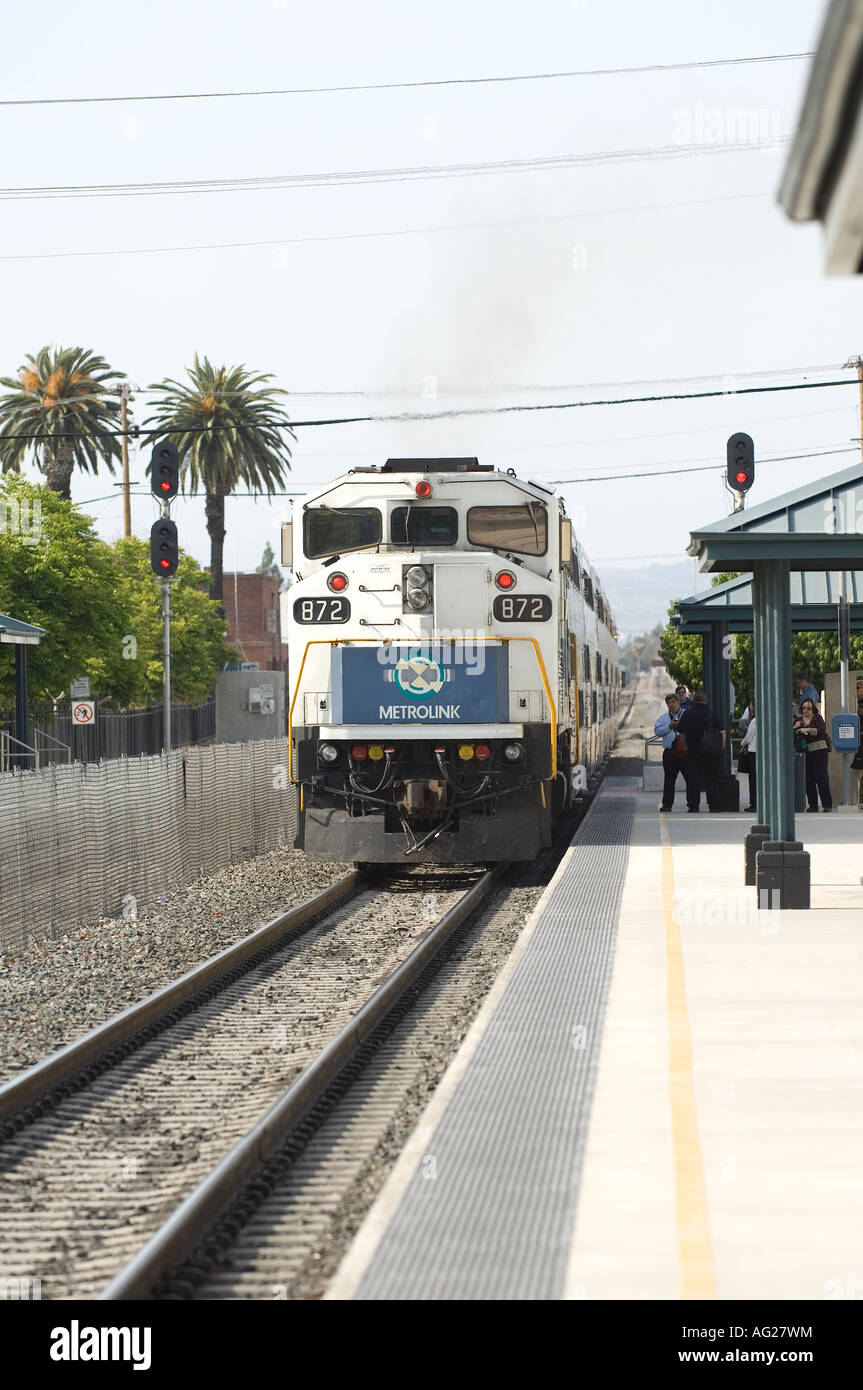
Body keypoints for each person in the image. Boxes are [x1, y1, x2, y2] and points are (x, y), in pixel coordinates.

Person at [677, 689, 726, 812]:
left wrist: (686, 747)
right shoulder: (712, 713)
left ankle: (693, 805)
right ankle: (714, 805)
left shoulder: (687, 714)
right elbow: (723, 732)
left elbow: (681, 733)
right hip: (711, 753)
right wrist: (720, 748)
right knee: (712, 780)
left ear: (694, 700)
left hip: (693, 752)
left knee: (693, 780)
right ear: (706, 700)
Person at [793, 697, 833, 811]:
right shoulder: (798, 720)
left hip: (820, 752)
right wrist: (795, 728)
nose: (806, 710)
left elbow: (821, 731)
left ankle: (827, 805)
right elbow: (792, 735)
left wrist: (808, 730)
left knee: (822, 778)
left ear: (813, 709)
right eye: (804, 708)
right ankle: (813, 805)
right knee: (808, 780)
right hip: (806, 754)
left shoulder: (818, 718)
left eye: (809, 708)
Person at [654, 693, 685, 811]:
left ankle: (693, 805)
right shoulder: (663, 718)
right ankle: (667, 805)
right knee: (669, 780)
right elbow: (657, 731)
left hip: (685, 752)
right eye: (669, 703)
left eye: (674, 702)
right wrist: (669, 726)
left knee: (690, 778)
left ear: (679, 703)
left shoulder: (686, 714)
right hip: (670, 753)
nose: (671, 705)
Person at [739, 708, 756, 813]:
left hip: (754, 751)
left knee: (753, 779)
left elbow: (749, 738)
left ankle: (754, 803)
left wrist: (742, 744)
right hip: (765, 752)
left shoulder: (755, 721)